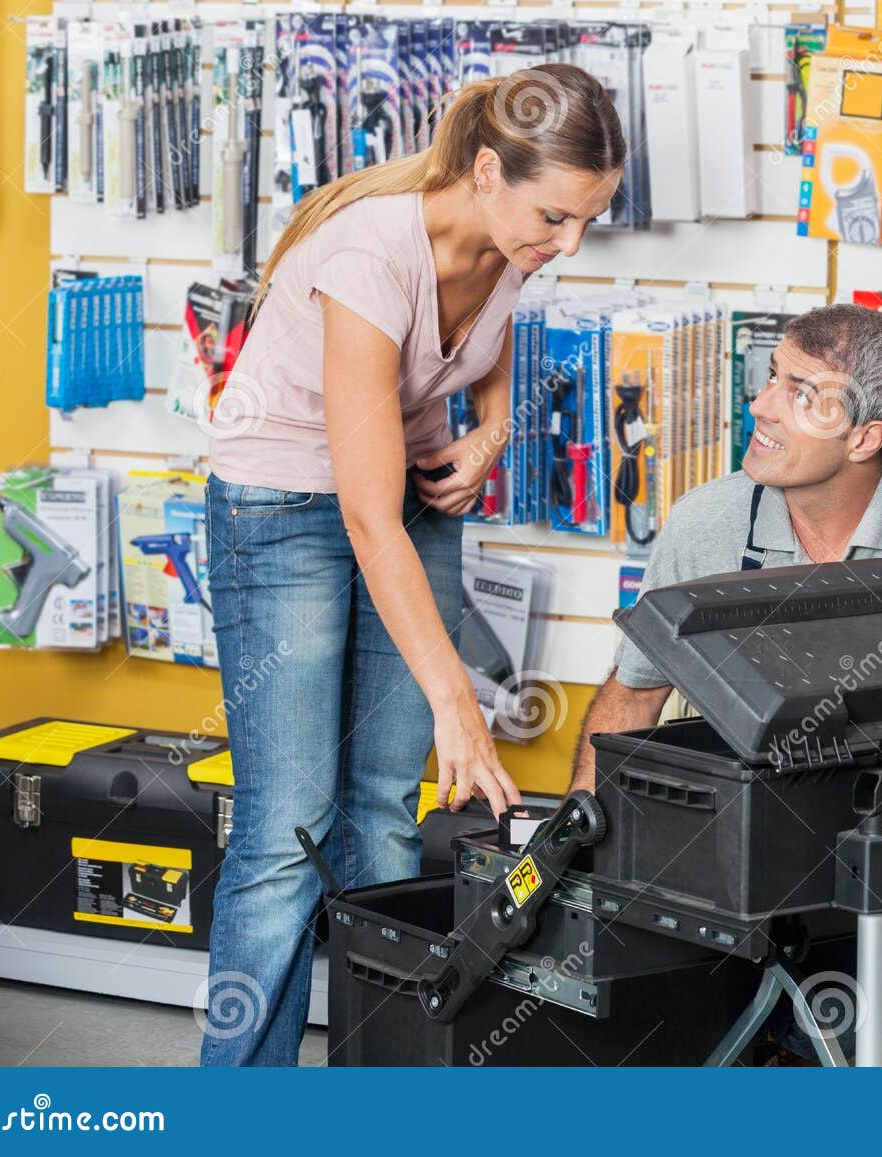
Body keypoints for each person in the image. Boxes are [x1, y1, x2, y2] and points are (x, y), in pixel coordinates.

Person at [200, 65, 626, 1066]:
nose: (567, 245)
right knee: (283, 831)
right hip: (288, 507)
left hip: (407, 497)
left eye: (586, 222)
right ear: (486, 170)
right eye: (557, 218)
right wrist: (456, 701)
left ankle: (379, 1075)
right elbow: (364, 515)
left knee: (388, 804)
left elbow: (494, 337)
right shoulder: (367, 252)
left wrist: (487, 435)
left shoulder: (510, 237)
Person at [571, 303, 882, 1066]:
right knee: (829, 1034)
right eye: (770, 379)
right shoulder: (705, 525)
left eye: (801, 392)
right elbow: (634, 695)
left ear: (865, 437)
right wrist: (574, 848)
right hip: (780, 819)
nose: (759, 406)